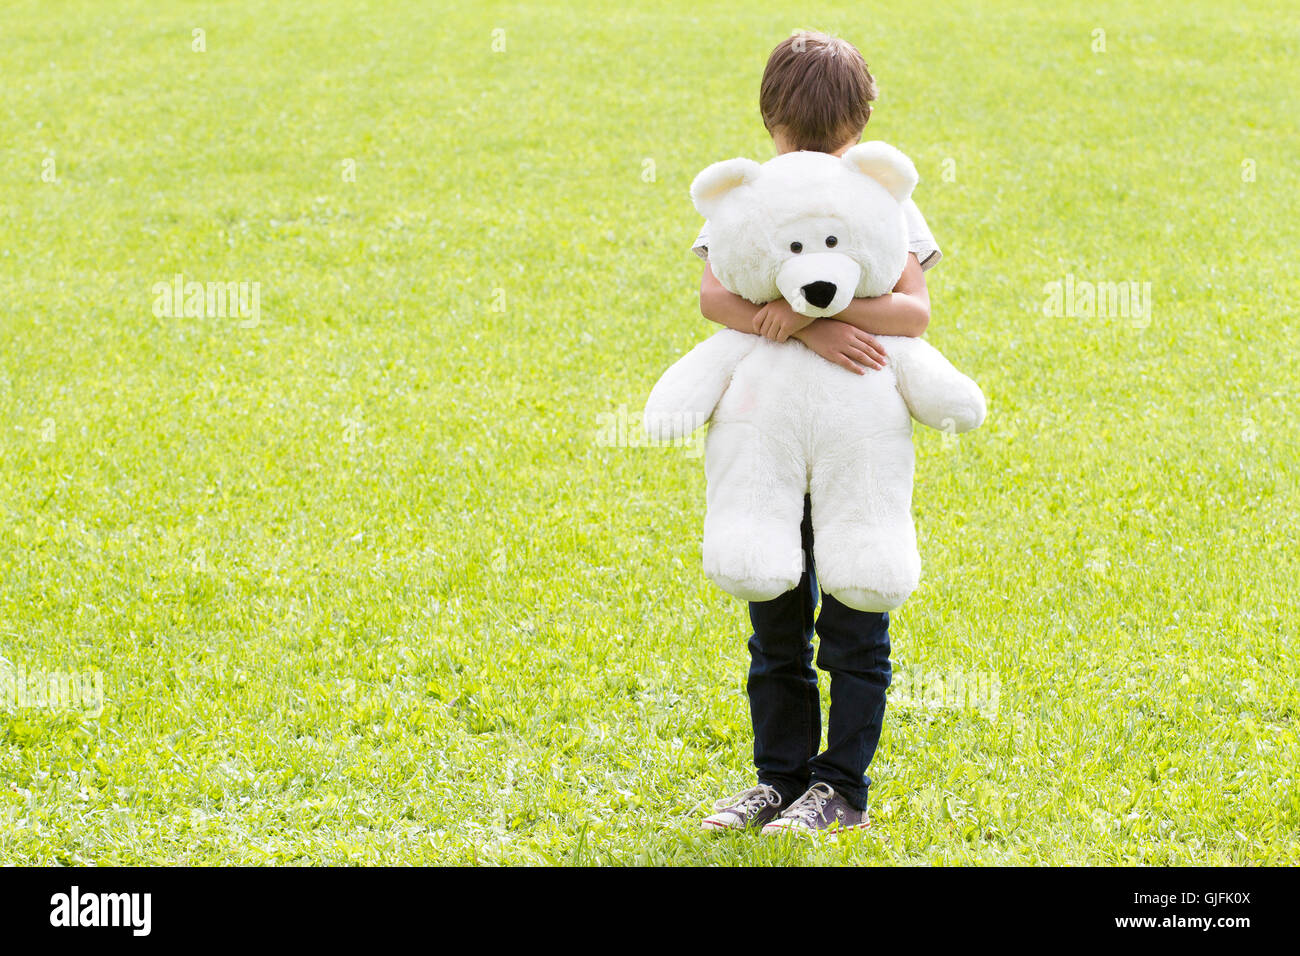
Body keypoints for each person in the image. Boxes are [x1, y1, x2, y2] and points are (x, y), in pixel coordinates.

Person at [695, 30, 941, 834]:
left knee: (853, 618)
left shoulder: (879, 194)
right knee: (776, 619)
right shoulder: (756, 195)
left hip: (853, 448)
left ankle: (842, 790)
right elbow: (715, 298)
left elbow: (914, 310)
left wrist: (813, 314)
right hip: (767, 444)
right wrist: (810, 328)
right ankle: (781, 779)